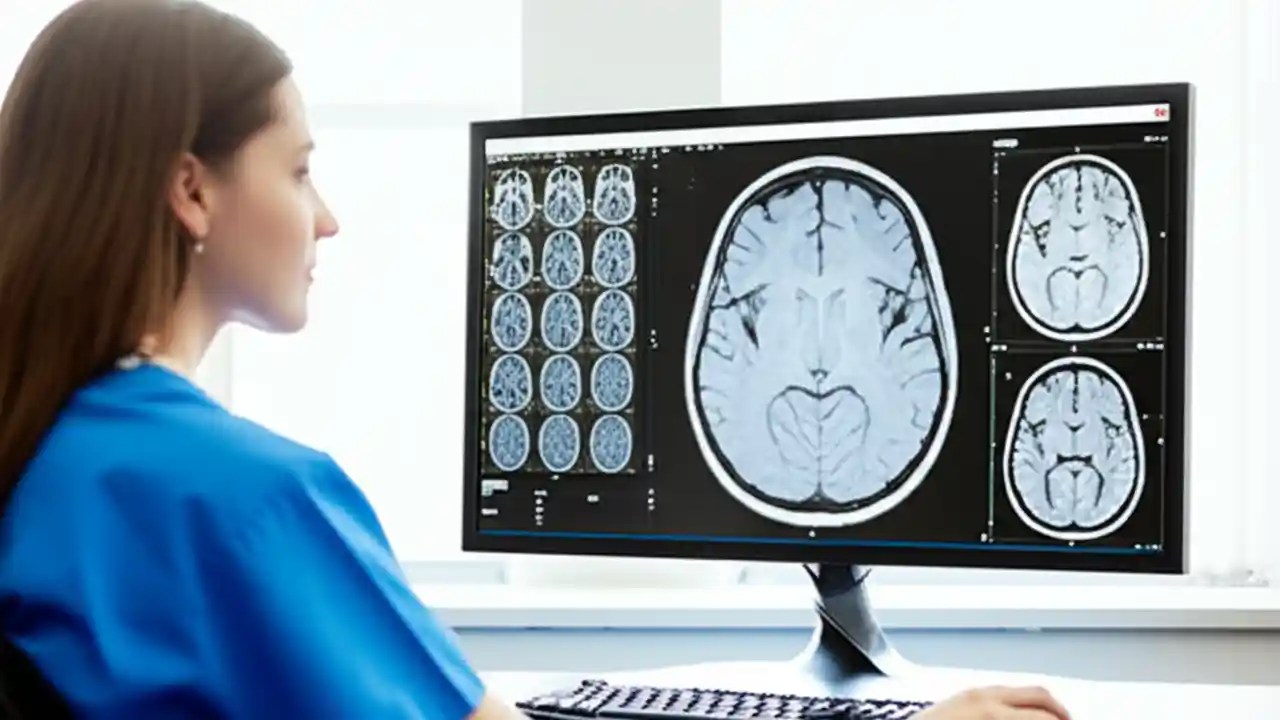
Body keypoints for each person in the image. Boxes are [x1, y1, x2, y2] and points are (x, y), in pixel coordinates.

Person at [0, 1, 1072, 718]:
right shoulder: (243, 500)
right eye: (299, 168)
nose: (324, 219)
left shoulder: (45, 455)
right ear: (192, 190)